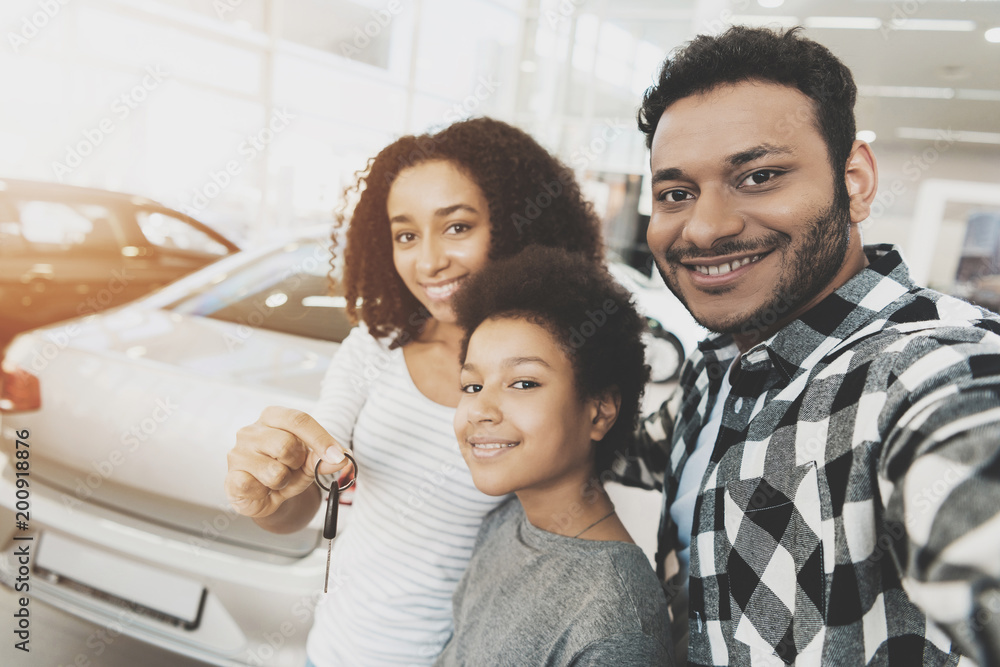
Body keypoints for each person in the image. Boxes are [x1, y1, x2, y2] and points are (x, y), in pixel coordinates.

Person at [616, 25, 1000, 666]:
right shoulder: (716, 369)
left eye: (759, 176)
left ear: (855, 181)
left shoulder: (928, 366)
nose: (707, 227)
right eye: (676, 194)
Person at [224, 117, 603, 666]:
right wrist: (266, 492)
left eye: (457, 227)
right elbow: (298, 502)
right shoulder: (375, 347)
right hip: (330, 652)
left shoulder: (558, 373)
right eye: (406, 235)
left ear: (518, 227)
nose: (428, 262)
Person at [436, 246, 674, 666]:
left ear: (599, 411)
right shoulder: (505, 521)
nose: (480, 410)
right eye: (472, 386)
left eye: (524, 383)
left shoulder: (616, 619)